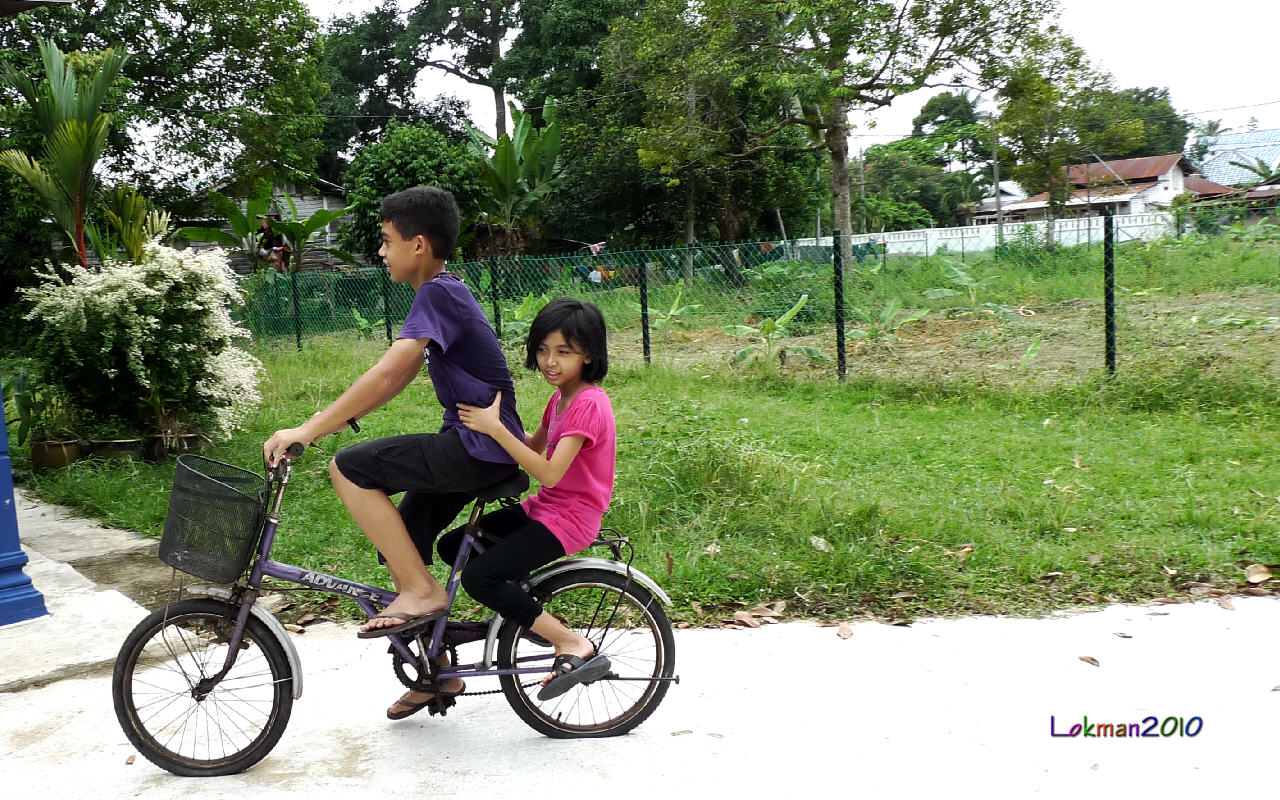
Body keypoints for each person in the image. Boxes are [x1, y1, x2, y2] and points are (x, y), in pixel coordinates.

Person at [262, 186, 526, 654]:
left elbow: (387, 369)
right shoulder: (445, 292)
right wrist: (338, 419)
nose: (382, 253)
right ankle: (435, 669)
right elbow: (399, 378)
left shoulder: (438, 294)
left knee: (348, 468)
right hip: (479, 447)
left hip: (479, 447)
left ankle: (423, 593)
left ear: (418, 244)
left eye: (386, 241)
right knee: (404, 539)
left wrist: (309, 429)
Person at [437, 298, 616, 707]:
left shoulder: (589, 404)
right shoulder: (560, 399)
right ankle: (529, 614)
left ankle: (569, 641)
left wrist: (495, 429)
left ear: (588, 354)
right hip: (546, 508)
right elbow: (530, 447)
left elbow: (550, 471)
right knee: (453, 546)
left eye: (563, 352)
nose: (550, 361)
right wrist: (480, 442)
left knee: (479, 578)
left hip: (570, 519)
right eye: (542, 350)